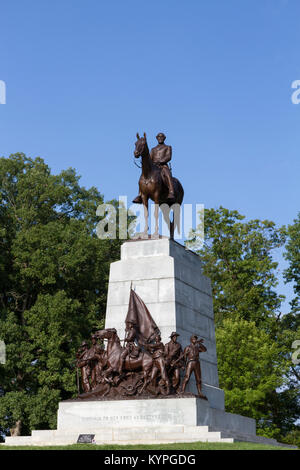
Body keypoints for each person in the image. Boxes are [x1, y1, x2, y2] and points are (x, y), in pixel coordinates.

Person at [133, 132, 175, 203]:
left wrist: (160, 161)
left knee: (167, 174)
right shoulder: (153, 149)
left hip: (163, 166)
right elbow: (150, 158)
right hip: (154, 167)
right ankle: (140, 195)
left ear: (164, 138)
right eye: (158, 137)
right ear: (157, 138)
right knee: (142, 177)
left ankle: (171, 191)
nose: (160, 138)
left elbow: (168, 157)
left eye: (161, 137)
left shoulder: (168, 147)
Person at [180, 335, 207, 399]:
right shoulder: (188, 347)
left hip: (197, 363)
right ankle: (182, 390)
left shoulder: (198, 347)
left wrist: (199, 343)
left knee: (198, 379)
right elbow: (184, 358)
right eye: (194, 338)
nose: (195, 339)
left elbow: (204, 350)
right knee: (187, 377)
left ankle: (200, 392)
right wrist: (183, 365)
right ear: (191, 340)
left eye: (196, 339)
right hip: (190, 362)